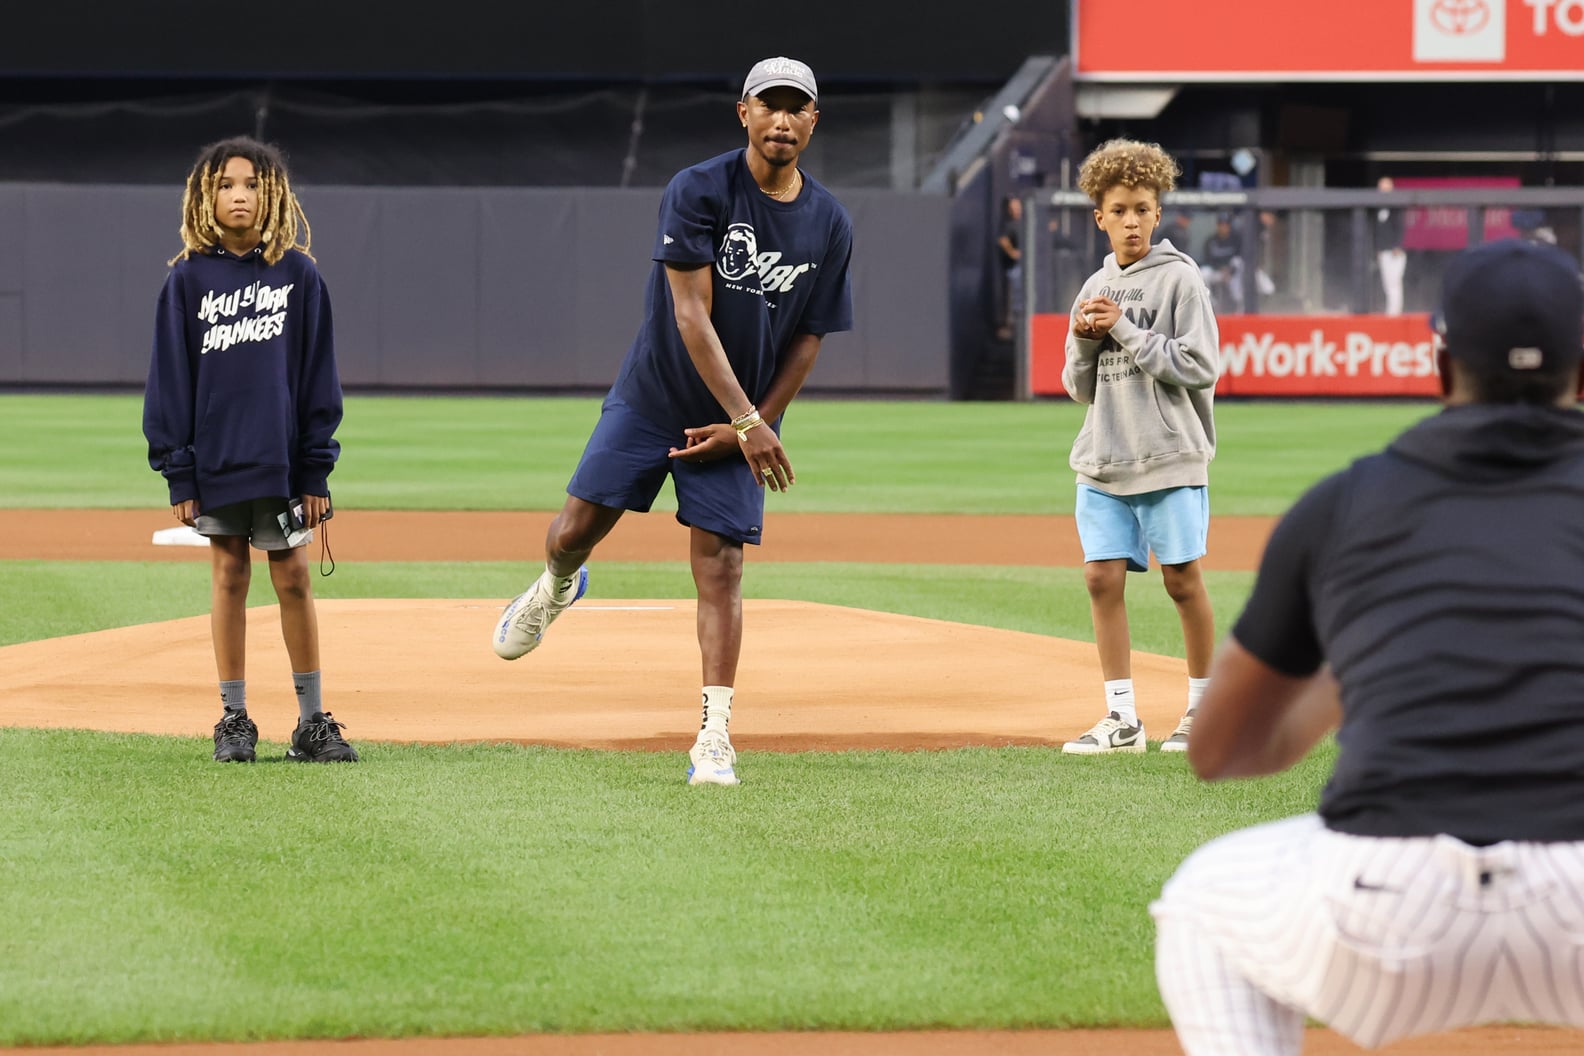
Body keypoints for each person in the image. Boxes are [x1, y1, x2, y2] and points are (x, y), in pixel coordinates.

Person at [1151, 238, 1584, 1054]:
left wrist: (1363, 660)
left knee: (1203, 903)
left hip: (1390, 906)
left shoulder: (1347, 502)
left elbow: (1220, 751)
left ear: (1441, 364)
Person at [490, 56, 854, 787]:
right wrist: (748, 418)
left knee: (721, 565)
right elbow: (690, 313)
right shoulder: (697, 190)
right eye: (768, 104)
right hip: (655, 396)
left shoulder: (830, 222)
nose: (782, 119)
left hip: (737, 421)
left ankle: (715, 734)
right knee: (570, 534)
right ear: (743, 113)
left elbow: (809, 335)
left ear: (814, 120)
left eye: (797, 107)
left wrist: (753, 425)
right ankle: (559, 586)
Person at [143, 136, 356, 764]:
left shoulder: (300, 274)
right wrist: (179, 475)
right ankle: (234, 718)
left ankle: (312, 723)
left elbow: (319, 376)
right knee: (230, 574)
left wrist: (315, 469)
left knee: (291, 575)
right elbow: (170, 381)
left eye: (253, 184)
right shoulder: (187, 280)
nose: (240, 195)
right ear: (206, 197)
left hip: (284, 466)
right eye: (227, 184)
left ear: (274, 195)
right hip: (216, 462)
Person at [1060, 138, 1219, 756]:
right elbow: (1078, 386)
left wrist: (1121, 328)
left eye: (1143, 208)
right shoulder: (1093, 285)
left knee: (1182, 580)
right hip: (1103, 456)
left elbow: (1200, 365)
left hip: (1169, 454)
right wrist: (1083, 338)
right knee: (1101, 578)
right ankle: (1122, 720)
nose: (1131, 220)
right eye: (1119, 209)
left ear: (1159, 213)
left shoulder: (1181, 278)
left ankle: (1203, 710)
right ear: (1099, 215)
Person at [1198, 212, 1244, 314]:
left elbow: (1240, 258)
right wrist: (1220, 269)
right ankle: (1210, 302)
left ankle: (1239, 308)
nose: (1223, 227)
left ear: (1229, 226)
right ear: (1217, 226)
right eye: (1221, 225)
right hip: (1217, 272)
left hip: (1232, 275)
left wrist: (1229, 271)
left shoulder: (1235, 240)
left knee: (1239, 265)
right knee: (1203, 272)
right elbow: (1208, 260)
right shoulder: (1211, 241)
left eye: (1226, 225)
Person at [1375, 175, 1407, 316]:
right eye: (1381, 187)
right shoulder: (1376, 208)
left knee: (1394, 281)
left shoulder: (1396, 207)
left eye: (1386, 187)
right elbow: (1376, 231)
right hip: (1384, 251)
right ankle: (1392, 310)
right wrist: (1378, 249)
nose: (1383, 190)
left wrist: (1397, 246)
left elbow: (1400, 227)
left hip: (1395, 252)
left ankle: (1394, 311)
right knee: (1387, 283)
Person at [996, 194, 1023, 340]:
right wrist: (1013, 253)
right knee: (1015, 298)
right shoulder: (1009, 224)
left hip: (1027, 268)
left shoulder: (1025, 222)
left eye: (1018, 206)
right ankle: (1013, 325)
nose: (1017, 209)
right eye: (1014, 207)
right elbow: (1003, 240)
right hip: (1016, 269)